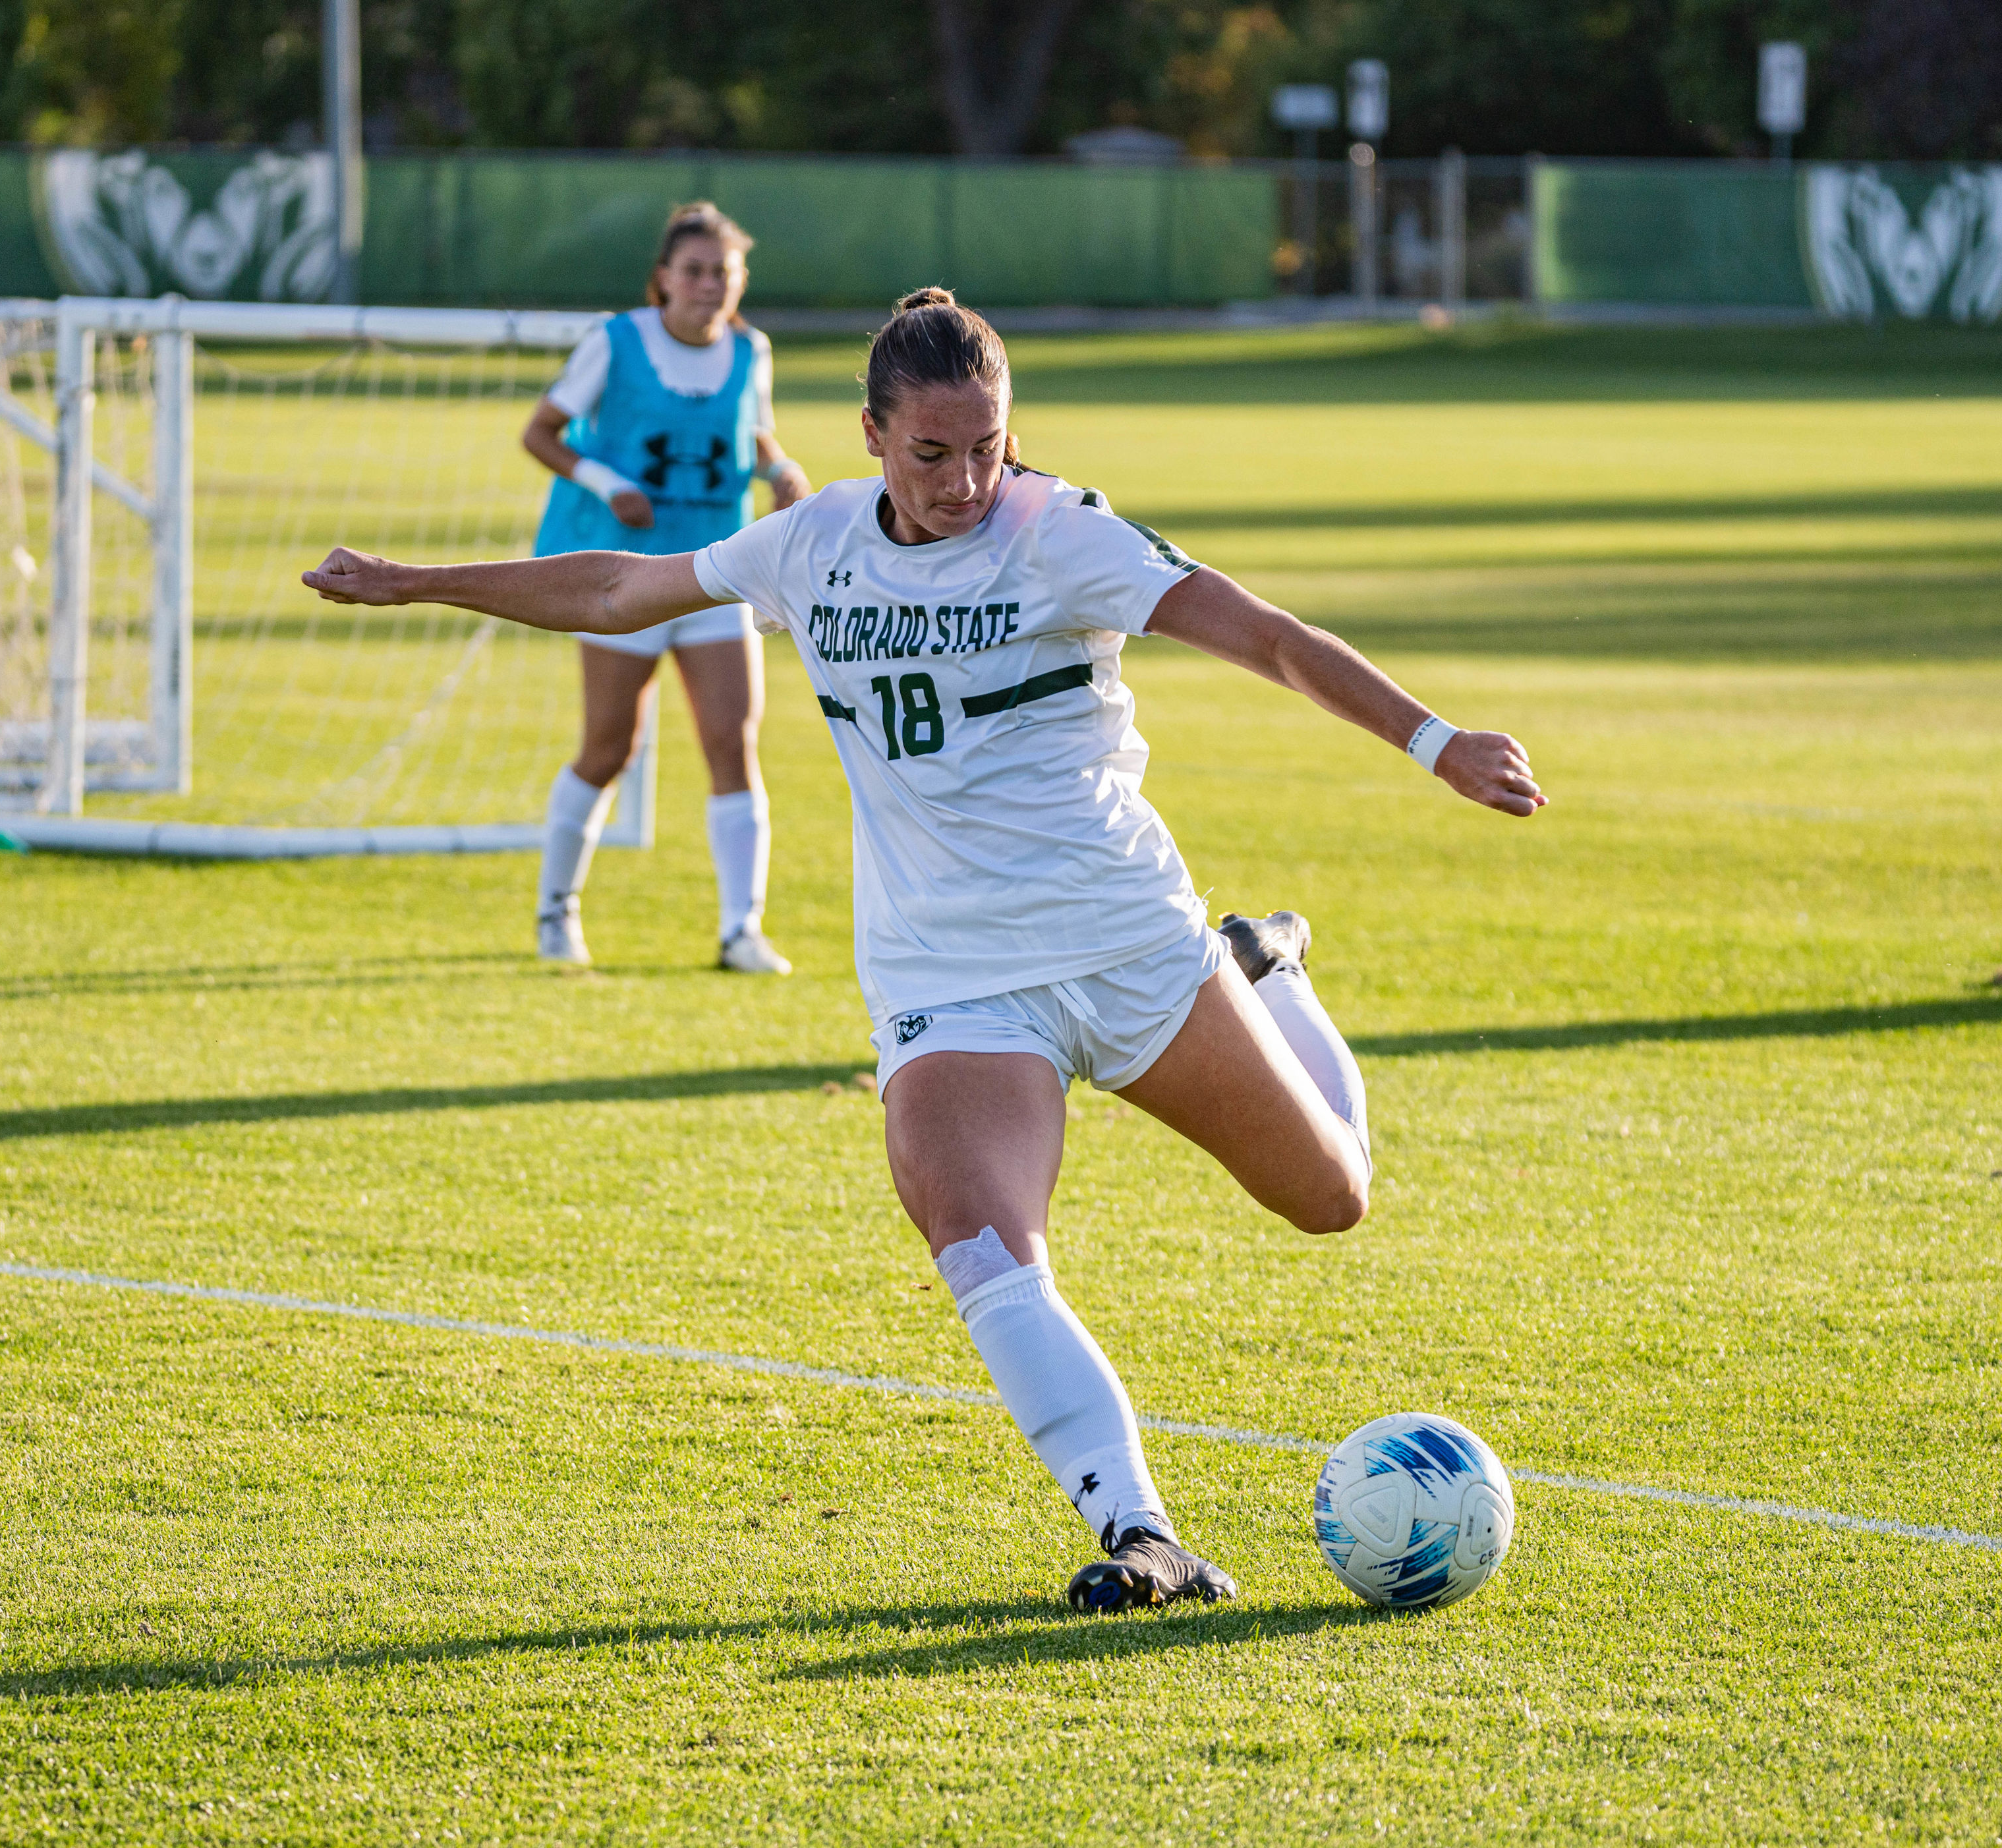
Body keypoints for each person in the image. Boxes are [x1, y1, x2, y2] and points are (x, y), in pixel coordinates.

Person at [306, 287, 1545, 1612]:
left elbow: (1272, 639)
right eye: (933, 454)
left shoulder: (1066, 535)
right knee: (978, 1238)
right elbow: (622, 586)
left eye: (989, 448)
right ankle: (1143, 1532)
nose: (964, 482)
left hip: (1125, 941)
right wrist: (419, 582)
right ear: (872, 436)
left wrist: (1438, 742)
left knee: (1331, 1196)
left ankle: (1268, 970)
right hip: (951, 977)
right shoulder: (814, 541)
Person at [520, 201, 813, 973]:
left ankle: (741, 928)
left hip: (715, 573)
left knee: (732, 741)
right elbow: (540, 432)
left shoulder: (752, 351)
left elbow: (752, 437)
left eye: (725, 272)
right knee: (610, 745)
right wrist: (609, 481)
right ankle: (557, 912)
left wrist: (781, 471)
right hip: (622, 578)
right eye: (695, 271)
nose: (710, 285)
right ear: (662, 279)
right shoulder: (617, 342)